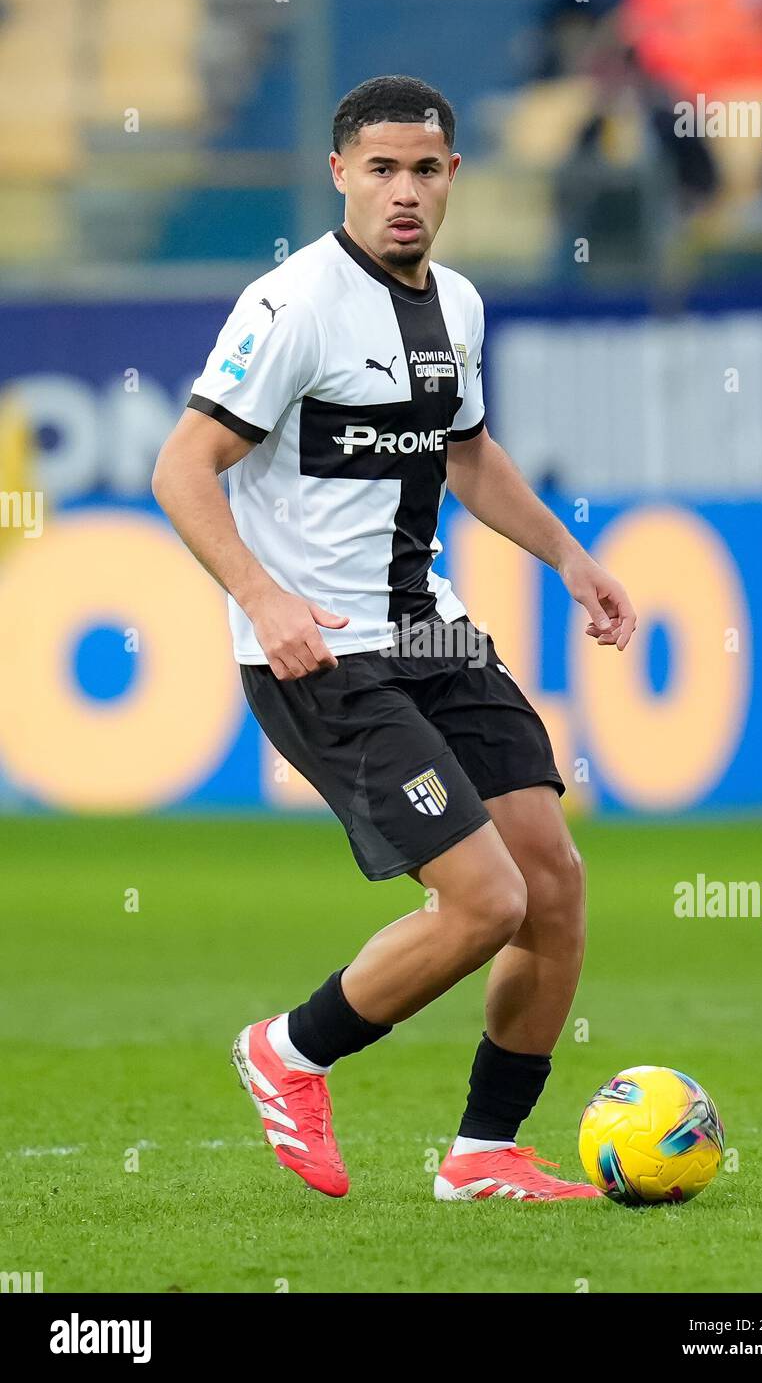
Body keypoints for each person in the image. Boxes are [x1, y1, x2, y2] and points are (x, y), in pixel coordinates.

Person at [152, 75, 637, 1203]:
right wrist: (264, 600)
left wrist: (570, 558)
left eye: (425, 170)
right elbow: (181, 467)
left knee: (553, 883)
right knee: (488, 901)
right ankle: (289, 1050)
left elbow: (467, 456)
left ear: (455, 176)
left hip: (438, 634)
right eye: (380, 170)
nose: (403, 192)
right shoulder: (292, 306)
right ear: (338, 175)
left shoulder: (456, 306)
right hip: (324, 652)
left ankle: (482, 1155)